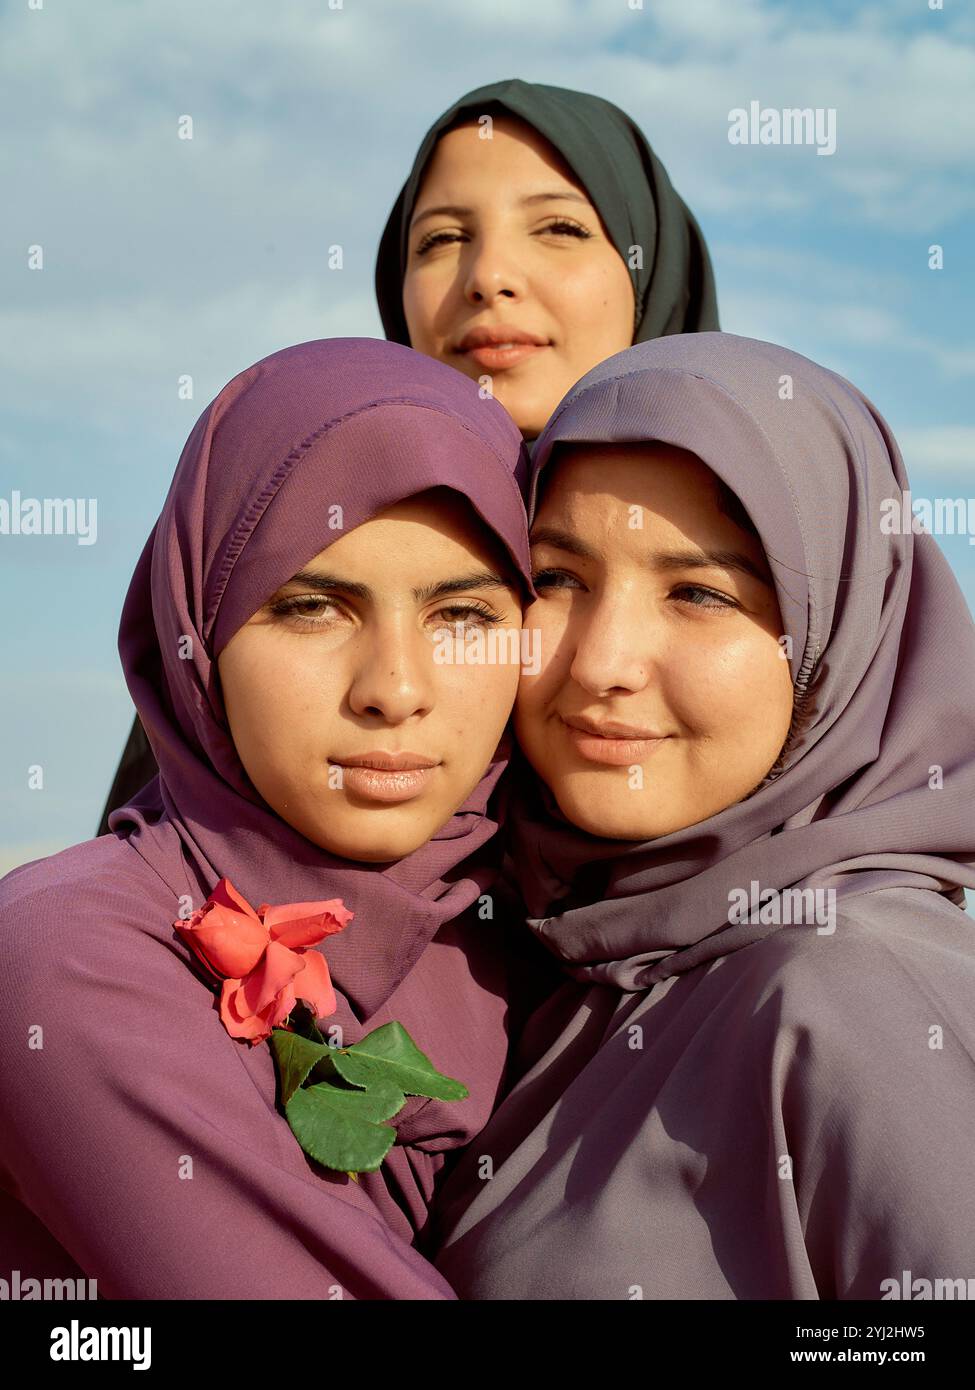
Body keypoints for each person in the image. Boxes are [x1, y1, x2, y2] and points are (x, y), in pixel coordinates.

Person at [428, 332, 975, 1300]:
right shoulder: (553, 955)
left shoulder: (849, 980)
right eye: (557, 578)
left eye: (698, 592)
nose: (602, 662)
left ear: (834, 641)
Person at [0, 337, 546, 1300]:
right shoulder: (65, 953)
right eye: (310, 607)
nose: (393, 689)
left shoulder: (555, 935)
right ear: (198, 635)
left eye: (461, 615)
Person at [97, 77, 720, 834]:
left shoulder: (773, 533)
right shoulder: (274, 511)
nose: (488, 277)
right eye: (442, 239)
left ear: (652, 268)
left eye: (557, 229)